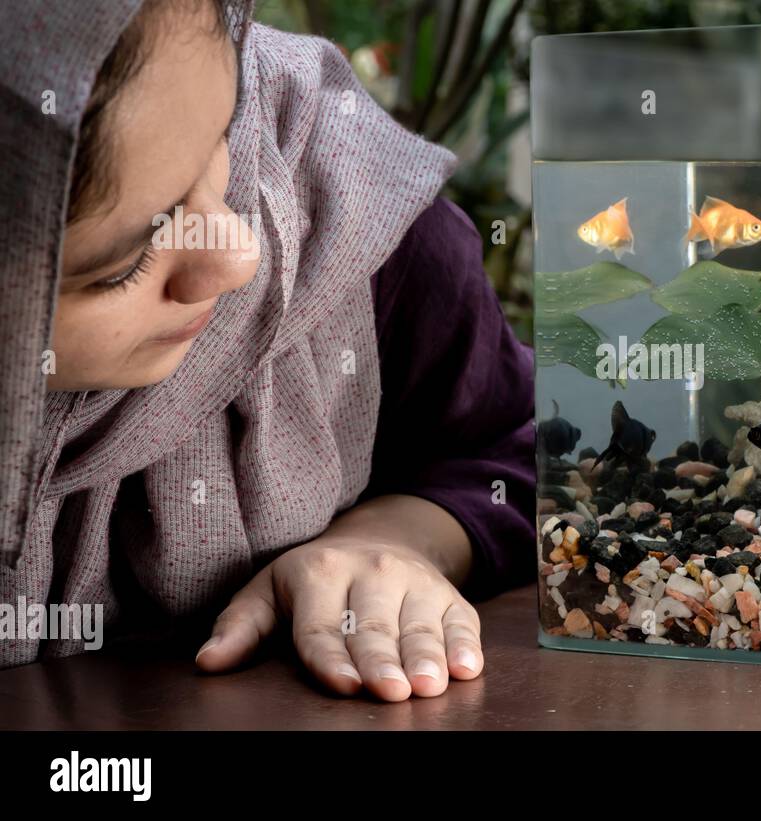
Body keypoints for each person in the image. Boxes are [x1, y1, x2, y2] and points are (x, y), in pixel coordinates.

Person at [0, 0, 536, 702]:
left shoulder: (359, 225)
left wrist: (401, 538)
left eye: (225, 136)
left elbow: (525, 451)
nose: (239, 258)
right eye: (124, 265)